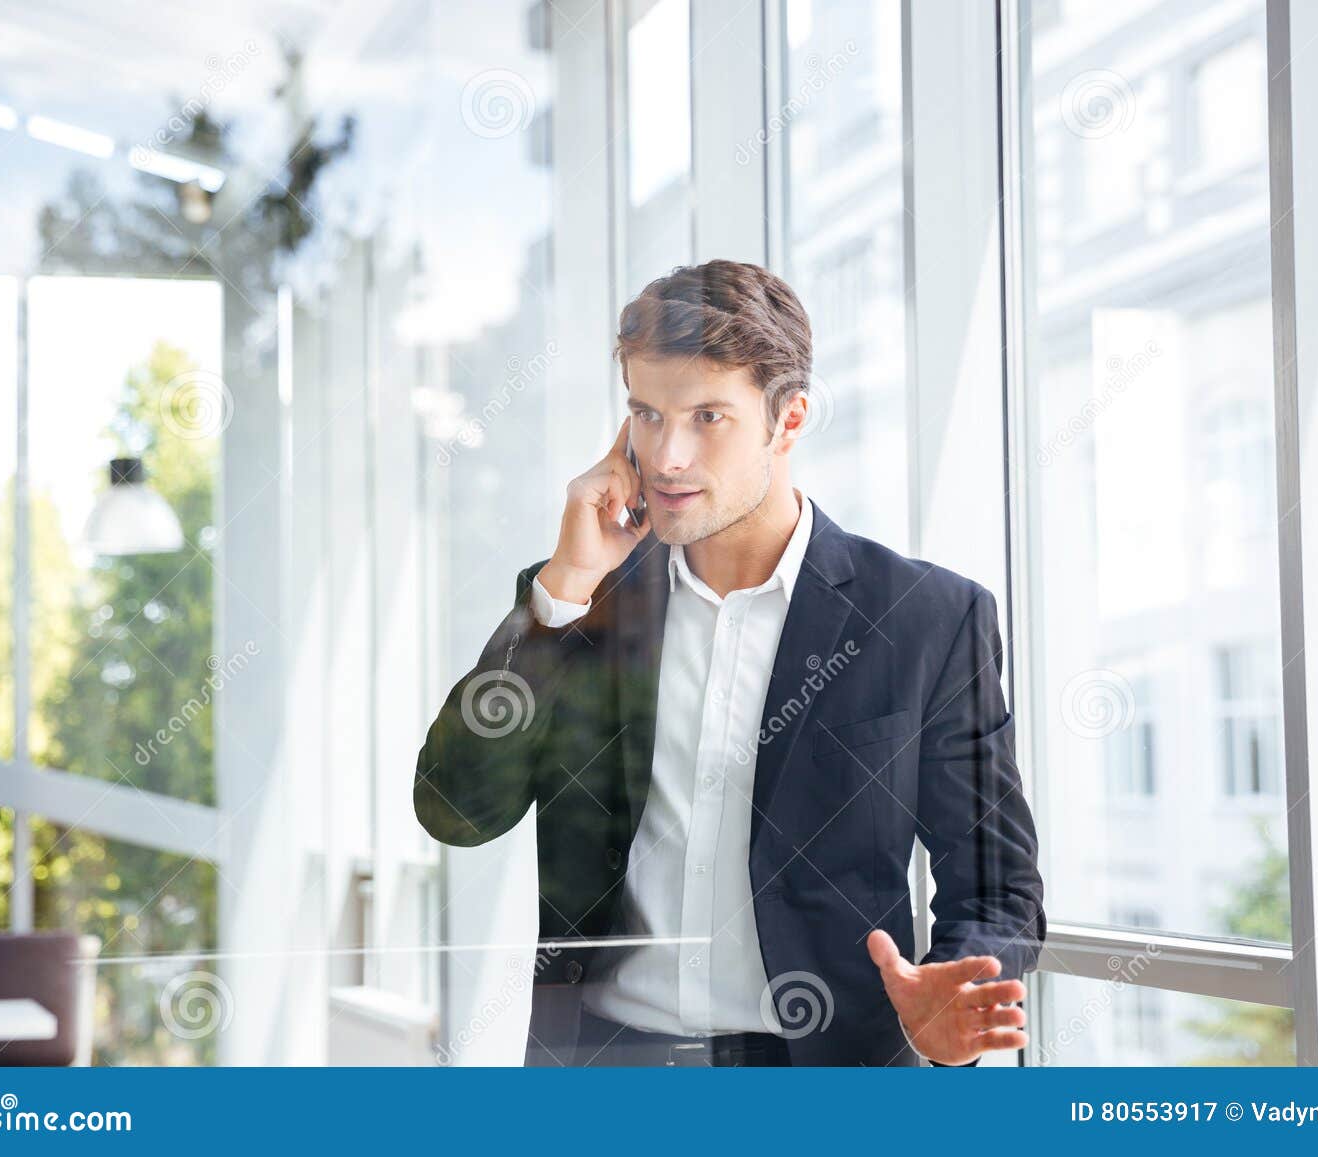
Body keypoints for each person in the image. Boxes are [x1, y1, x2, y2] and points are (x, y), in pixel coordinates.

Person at [414, 259, 1046, 1066]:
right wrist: (563, 587)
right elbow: (455, 809)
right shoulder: (586, 601)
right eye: (647, 415)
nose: (667, 456)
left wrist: (954, 989)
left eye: (707, 417)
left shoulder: (925, 618)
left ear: (789, 420)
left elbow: (996, 881)